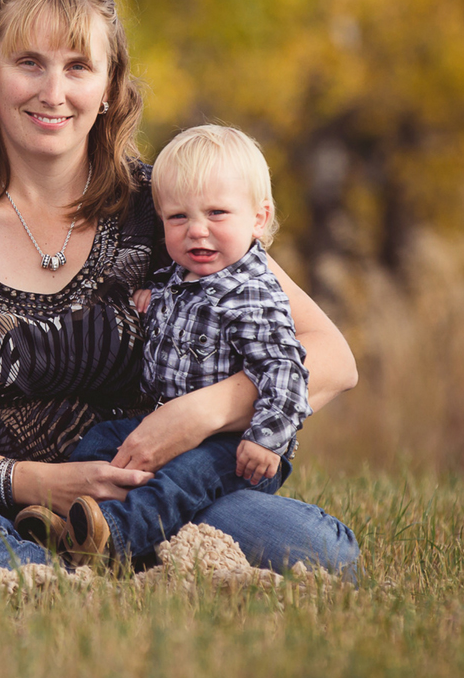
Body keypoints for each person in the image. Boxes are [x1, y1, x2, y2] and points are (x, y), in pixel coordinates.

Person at [0, 0, 360, 573]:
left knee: (318, 552)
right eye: (29, 63)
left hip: (150, 489)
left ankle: (101, 553)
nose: (53, 92)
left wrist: (201, 413)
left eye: (78, 67)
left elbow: (333, 357)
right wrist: (27, 481)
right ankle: (62, 565)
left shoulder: (164, 209)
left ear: (110, 86)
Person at [16, 123, 313, 567]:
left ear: (258, 218)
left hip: (234, 445)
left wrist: (267, 438)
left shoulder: (253, 293)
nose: (197, 231)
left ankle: (113, 541)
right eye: (178, 218)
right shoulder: (180, 277)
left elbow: (286, 370)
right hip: (163, 421)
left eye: (217, 214)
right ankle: (72, 519)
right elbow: (179, 304)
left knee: (183, 479)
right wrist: (151, 300)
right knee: (102, 440)